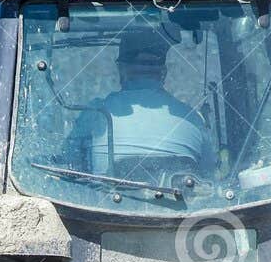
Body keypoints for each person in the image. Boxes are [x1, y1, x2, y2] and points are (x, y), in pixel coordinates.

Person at [76, 27, 210, 181]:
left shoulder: (95, 112)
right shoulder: (192, 118)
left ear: (121, 69)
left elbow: (71, 163)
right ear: (163, 72)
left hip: (101, 203)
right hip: (180, 202)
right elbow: (209, 179)